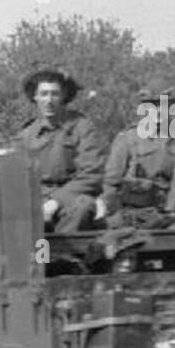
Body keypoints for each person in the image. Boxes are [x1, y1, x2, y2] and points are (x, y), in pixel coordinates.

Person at [15, 67, 104, 232]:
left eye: (54, 94)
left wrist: (56, 201)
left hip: (71, 196)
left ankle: (63, 256)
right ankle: (36, 256)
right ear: (35, 97)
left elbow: (92, 173)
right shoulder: (26, 135)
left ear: (64, 97)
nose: (48, 100)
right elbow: (17, 176)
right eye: (43, 94)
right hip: (36, 198)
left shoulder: (82, 127)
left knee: (82, 207)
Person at [102, 84, 175, 228]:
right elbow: (111, 182)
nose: (158, 111)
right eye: (153, 106)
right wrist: (113, 212)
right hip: (132, 214)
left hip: (167, 215)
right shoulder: (129, 139)